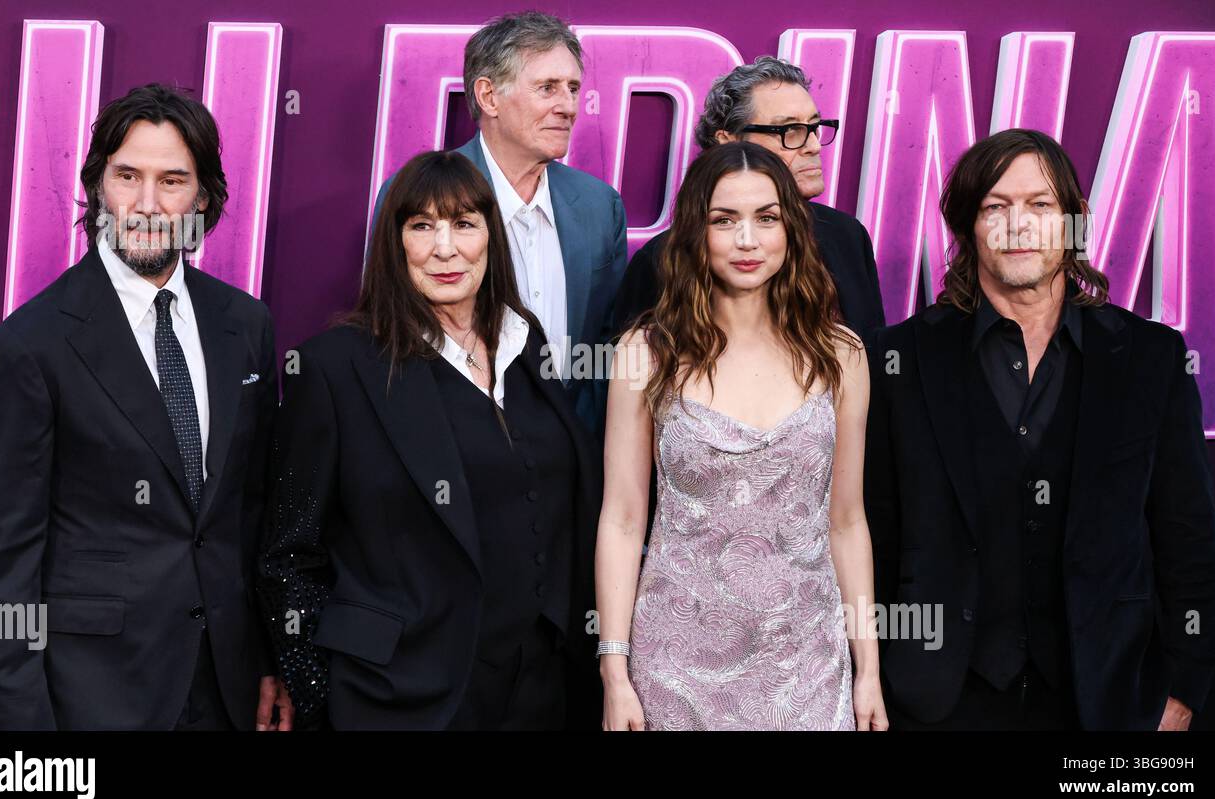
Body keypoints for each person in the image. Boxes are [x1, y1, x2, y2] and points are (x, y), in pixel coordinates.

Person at [865, 129, 1215, 730]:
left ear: (1074, 222)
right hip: (936, 701)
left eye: (1039, 206)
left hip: (1109, 701)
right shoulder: (898, 359)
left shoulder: (1150, 358)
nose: (1018, 225)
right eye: (996, 207)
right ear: (968, 226)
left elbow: (1188, 538)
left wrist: (1184, 690)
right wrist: (870, 676)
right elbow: (867, 531)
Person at [0, 84, 287, 730]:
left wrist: (268, 659)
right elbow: (3, 571)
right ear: (95, 186)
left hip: (225, 689)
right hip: (94, 699)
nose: (146, 204)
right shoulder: (29, 347)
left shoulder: (245, 325)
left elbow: (249, 516)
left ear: (202, 197)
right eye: (127, 176)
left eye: (172, 180)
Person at [260, 151, 602, 730]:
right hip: (402, 698)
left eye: (465, 223)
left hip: (542, 691)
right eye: (422, 226)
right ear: (395, 244)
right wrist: (321, 692)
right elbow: (289, 553)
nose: (446, 248)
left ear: (491, 236)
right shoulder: (336, 368)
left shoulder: (527, 343)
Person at [595, 141, 886, 731]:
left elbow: (848, 522)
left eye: (767, 218)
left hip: (806, 665)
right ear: (695, 234)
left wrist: (868, 673)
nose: (747, 240)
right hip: (675, 668)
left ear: (792, 230)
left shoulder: (842, 355)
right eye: (724, 220)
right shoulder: (645, 354)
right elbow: (623, 519)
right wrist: (614, 672)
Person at [376, 11, 628, 436]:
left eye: (572, 88)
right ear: (489, 97)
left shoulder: (600, 206)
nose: (567, 106)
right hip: (457, 445)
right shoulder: (417, 198)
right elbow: (391, 328)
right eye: (547, 88)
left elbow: (610, 344)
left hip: (572, 453)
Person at [608, 56, 885, 350]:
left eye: (815, 126)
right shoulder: (664, 260)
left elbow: (875, 362)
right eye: (789, 130)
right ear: (728, 141)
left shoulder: (847, 235)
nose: (814, 145)